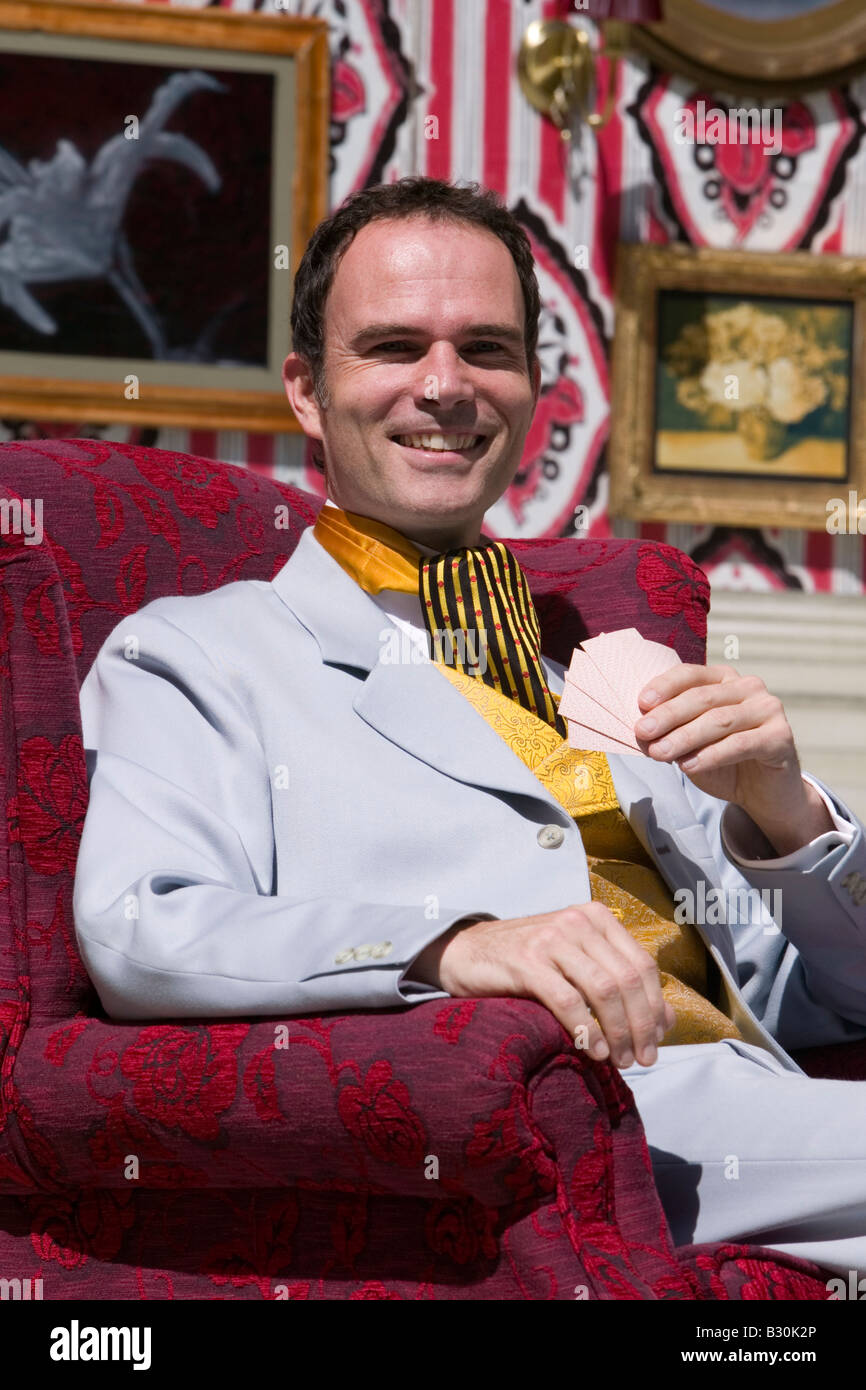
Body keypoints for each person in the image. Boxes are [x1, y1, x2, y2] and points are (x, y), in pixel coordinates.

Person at [73, 176, 866, 1280]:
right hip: (555, 1136)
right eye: (394, 346)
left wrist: (786, 815)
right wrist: (458, 945)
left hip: (769, 1129)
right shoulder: (196, 652)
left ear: (532, 387)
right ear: (306, 390)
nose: (444, 385)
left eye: (486, 349)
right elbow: (141, 930)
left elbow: (816, 1003)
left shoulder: (601, 668)